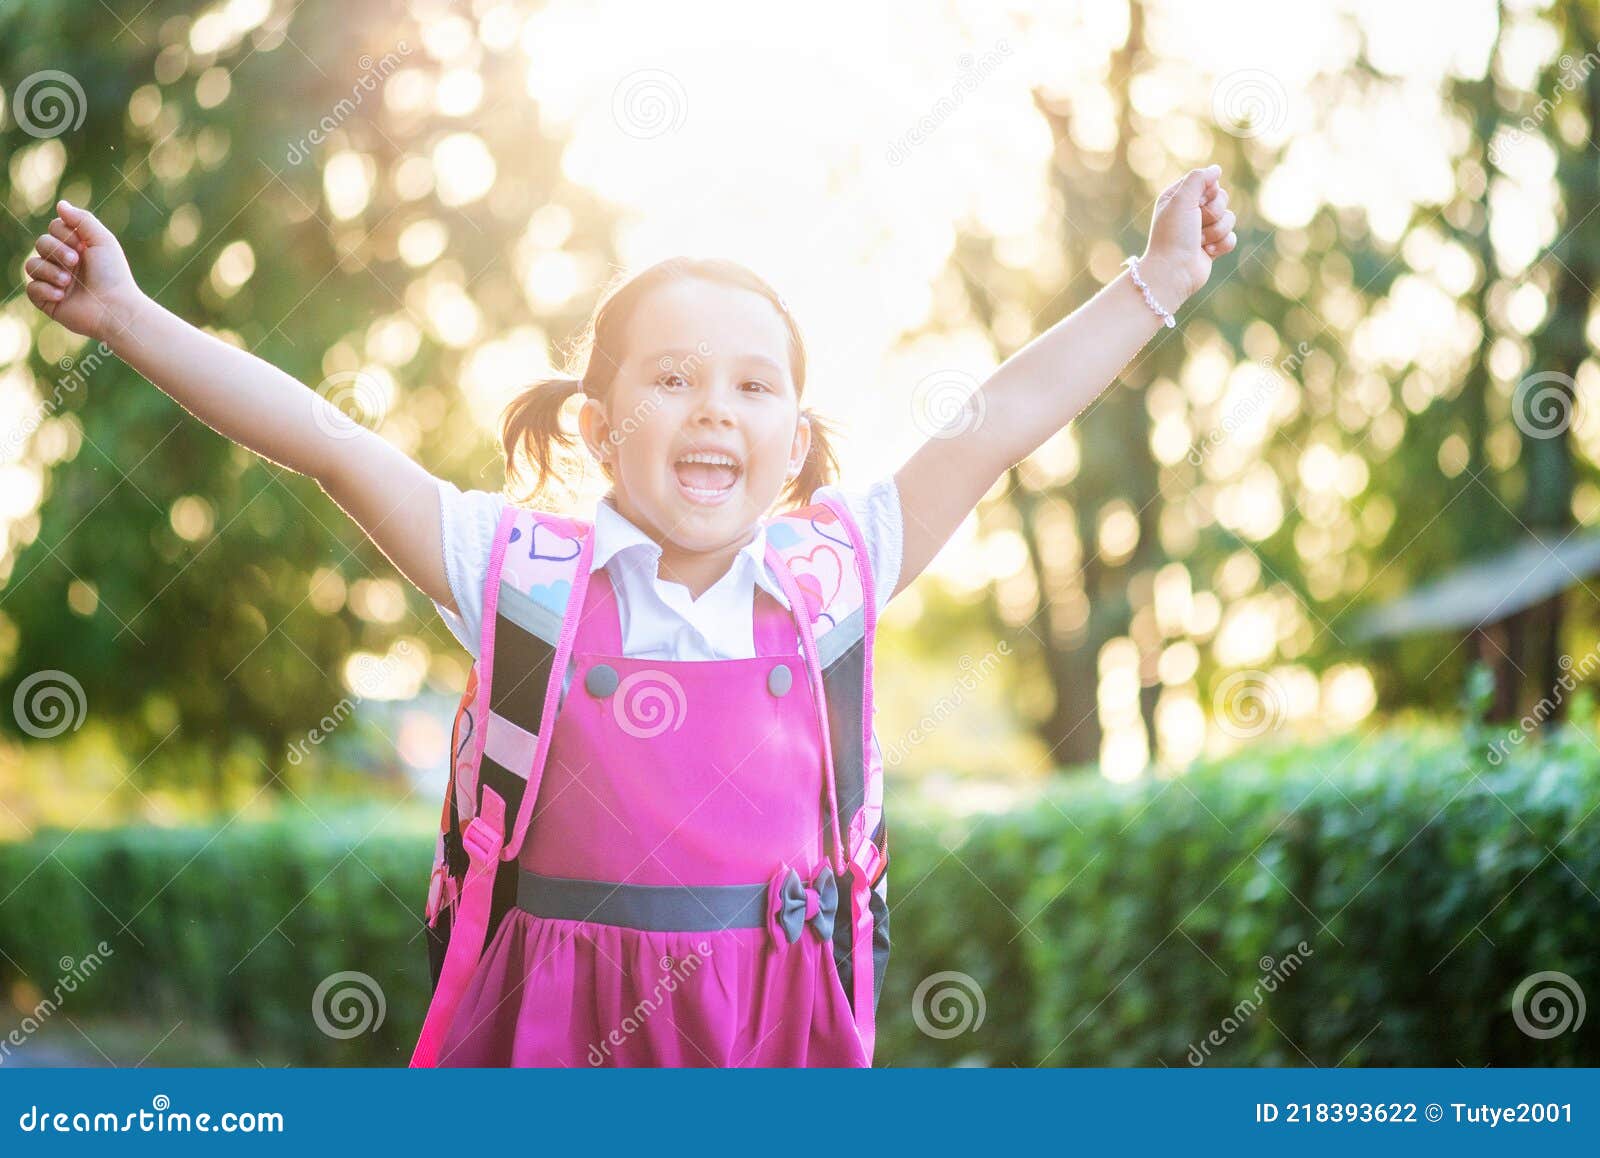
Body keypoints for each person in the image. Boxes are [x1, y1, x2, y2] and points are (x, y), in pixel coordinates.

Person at [22, 164, 1237, 1066]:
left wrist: (1159, 281)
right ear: (598, 428)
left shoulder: (834, 575)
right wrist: (129, 318)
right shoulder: (521, 576)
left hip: (781, 1025)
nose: (716, 410)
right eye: (672, 379)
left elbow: (1002, 419)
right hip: (552, 1034)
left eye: (755, 387)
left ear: (794, 439)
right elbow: (331, 446)